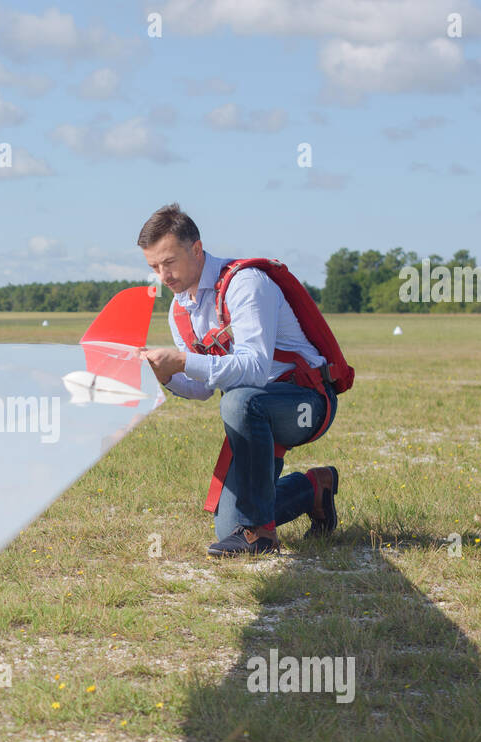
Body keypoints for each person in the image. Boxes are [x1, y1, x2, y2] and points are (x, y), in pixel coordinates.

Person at [137, 203, 342, 557]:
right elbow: (201, 389)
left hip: (306, 400)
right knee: (229, 526)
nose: (162, 275)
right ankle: (314, 488)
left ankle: (261, 534)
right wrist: (166, 375)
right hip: (253, 411)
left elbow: (255, 369)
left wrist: (184, 359)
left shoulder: (245, 284)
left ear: (196, 249)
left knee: (237, 400)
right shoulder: (179, 309)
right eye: (154, 266)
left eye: (168, 262)